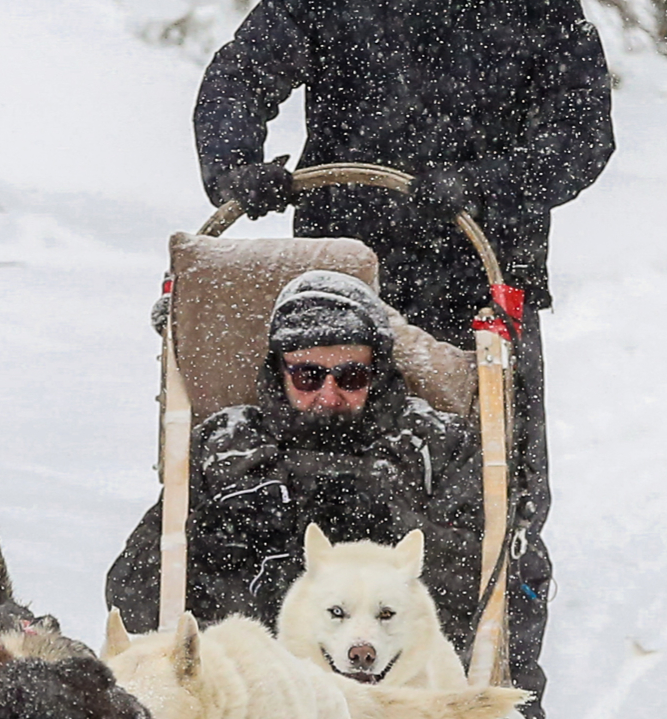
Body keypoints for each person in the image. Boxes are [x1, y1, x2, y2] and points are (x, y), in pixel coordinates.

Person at [190, 0, 616, 719]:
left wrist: (487, 183)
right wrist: (236, 167)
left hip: (480, 281)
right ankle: (291, 709)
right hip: (345, 285)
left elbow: (584, 136)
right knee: (317, 499)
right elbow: (240, 74)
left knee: (492, 511)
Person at [107, 270, 482, 653]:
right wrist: (210, 542)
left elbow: (485, 588)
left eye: (351, 377)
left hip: (387, 686)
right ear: (280, 372)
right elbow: (131, 605)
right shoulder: (226, 445)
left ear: (378, 371)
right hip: (246, 683)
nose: (329, 396)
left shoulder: (436, 443)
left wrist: (389, 525)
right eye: (307, 377)